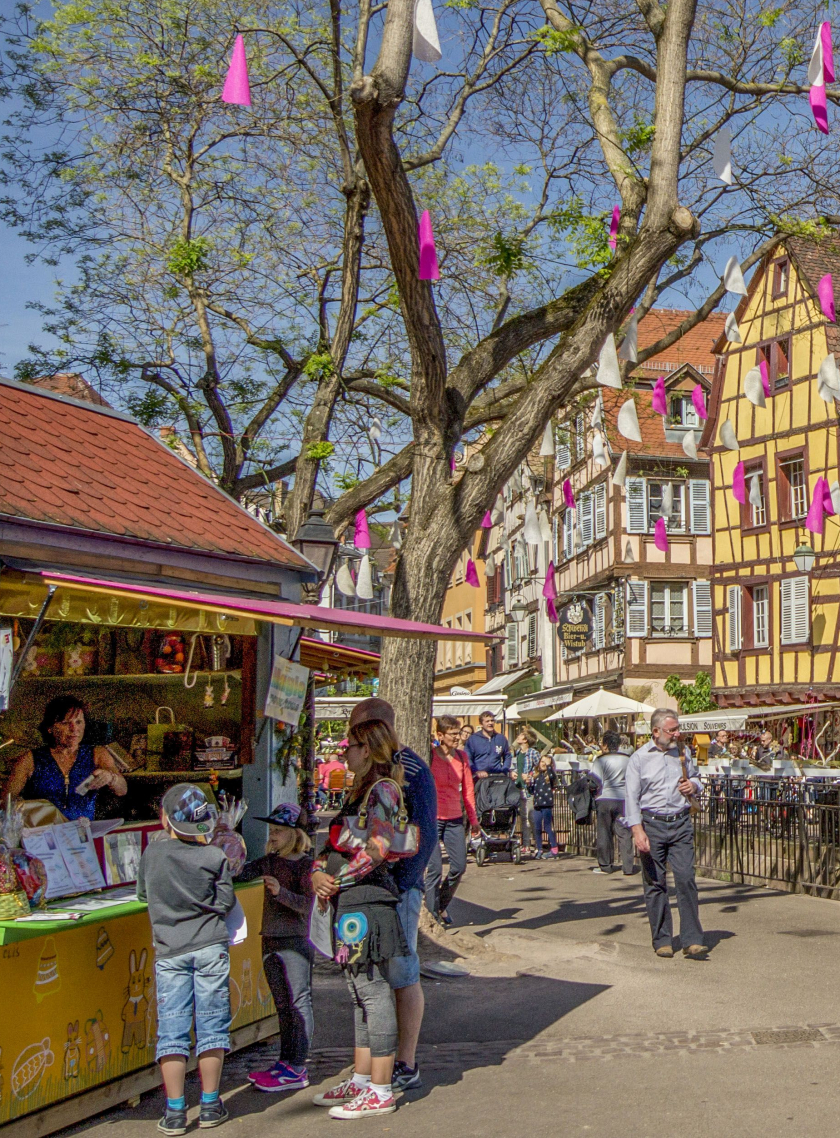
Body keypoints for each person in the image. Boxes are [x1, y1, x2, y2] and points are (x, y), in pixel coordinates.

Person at [310, 720, 409, 1119]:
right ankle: (364, 1077)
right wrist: (318, 872)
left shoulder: (382, 789)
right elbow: (332, 844)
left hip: (367, 902)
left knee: (372, 989)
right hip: (350, 903)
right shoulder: (359, 791)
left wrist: (336, 879)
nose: (342, 754)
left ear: (367, 749)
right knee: (357, 991)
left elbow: (380, 847)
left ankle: (381, 1088)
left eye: (348, 746)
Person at [345, 697, 436, 1093]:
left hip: (395, 887)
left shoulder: (410, 768)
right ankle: (374, 1066)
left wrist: (404, 883)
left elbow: (426, 831)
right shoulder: (372, 772)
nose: (349, 742)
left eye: (353, 733)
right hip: (373, 889)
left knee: (401, 973)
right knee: (372, 979)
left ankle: (405, 1062)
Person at [136, 784, 235, 1134]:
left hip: (169, 952)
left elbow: (142, 895)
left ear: (166, 820)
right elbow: (225, 904)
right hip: (210, 948)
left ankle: (175, 1112)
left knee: (172, 1032)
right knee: (212, 1027)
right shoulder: (216, 857)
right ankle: (210, 1106)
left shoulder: (151, 855)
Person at [238, 803, 314, 1093]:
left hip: (295, 940)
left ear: (294, 835)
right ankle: (286, 1061)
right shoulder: (270, 860)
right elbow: (242, 873)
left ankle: (298, 1064)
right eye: (271, 831)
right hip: (269, 938)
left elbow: (309, 906)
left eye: (279, 831)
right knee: (282, 1005)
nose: (272, 836)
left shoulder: (306, 866)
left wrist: (281, 894)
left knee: (299, 1002)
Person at [625, 709, 707, 960]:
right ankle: (662, 940)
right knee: (655, 883)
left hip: (680, 822)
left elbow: (696, 779)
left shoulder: (682, 753)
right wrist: (638, 831)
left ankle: (692, 940)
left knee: (685, 878)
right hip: (652, 824)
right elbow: (631, 797)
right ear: (656, 731)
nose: (677, 734)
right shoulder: (639, 758)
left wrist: (693, 785)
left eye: (677, 728)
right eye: (672, 730)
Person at [4, 695, 127, 820]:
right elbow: (5, 801)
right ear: (50, 728)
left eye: (79, 722)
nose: (74, 729)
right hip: (43, 835)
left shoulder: (97, 753)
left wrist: (111, 778)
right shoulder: (31, 759)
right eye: (65, 723)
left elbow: (122, 789)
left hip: (83, 834)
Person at [425, 716, 480, 925]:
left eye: (459, 734)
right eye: (454, 734)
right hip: (432, 818)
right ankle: (431, 915)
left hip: (455, 817)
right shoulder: (430, 756)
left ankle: (440, 905)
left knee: (459, 866)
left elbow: (468, 790)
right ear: (440, 736)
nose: (458, 738)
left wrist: (473, 819)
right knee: (435, 869)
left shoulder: (462, 757)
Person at [589, 731, 635, 875]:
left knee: (604, 833)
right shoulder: (628, 759)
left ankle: (606, 865)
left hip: (605, 798)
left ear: (606, 745)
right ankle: (628, 867)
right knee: (625, 833)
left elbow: (594, 782)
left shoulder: (600, 760)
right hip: (623, 799)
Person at [513, 728, 540, 854]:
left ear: (525, 740)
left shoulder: (533, 753)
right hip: (519, 787)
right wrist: (513, 773)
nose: (517, 737)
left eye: (520, 736)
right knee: (523, 817)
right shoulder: (518, 752)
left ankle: (537, 843)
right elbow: (516, 767)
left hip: (529, 789)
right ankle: (526, 844)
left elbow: (540, 768)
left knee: (531, 816)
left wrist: (530, 776)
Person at [465, 710, 512, 779]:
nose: (490, 723)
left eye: (492, 721)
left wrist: (505, 769)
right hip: (479, 778)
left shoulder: (501, 738)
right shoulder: (473, 739)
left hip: (497, 777)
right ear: (481, 724)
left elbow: (507, 756)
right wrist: (476, 771)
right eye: (487, 721)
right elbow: (468, 758)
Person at [529, 753, 559, 859]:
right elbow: (531, 791)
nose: (543, 764)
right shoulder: (536, 775)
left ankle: (554, 850)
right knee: (537, 828)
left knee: (548, 827)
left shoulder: (549, 775)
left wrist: (549, 766)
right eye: (542, 762)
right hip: (537, 805)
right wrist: (529, 783)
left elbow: (552, 776)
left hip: (547, 804)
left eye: (545, 763)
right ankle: (539, 849)